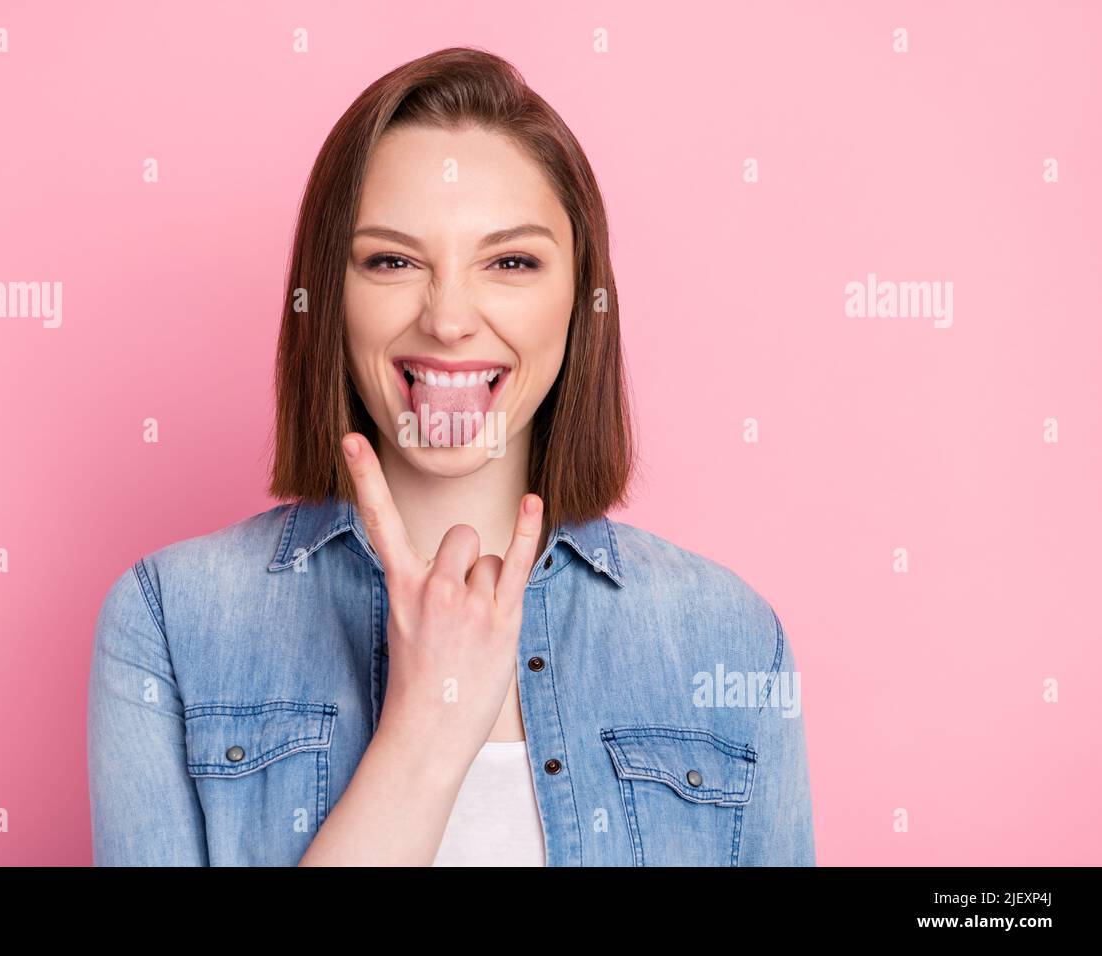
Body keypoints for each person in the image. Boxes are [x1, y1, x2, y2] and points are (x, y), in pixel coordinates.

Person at [87, 46, 815, 867]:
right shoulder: (171, 620)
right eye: (392, 260)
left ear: (581, 300)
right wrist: (427, 730)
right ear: (329, 295)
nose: (448, 318)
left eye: (511, 262)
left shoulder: (729, 639)